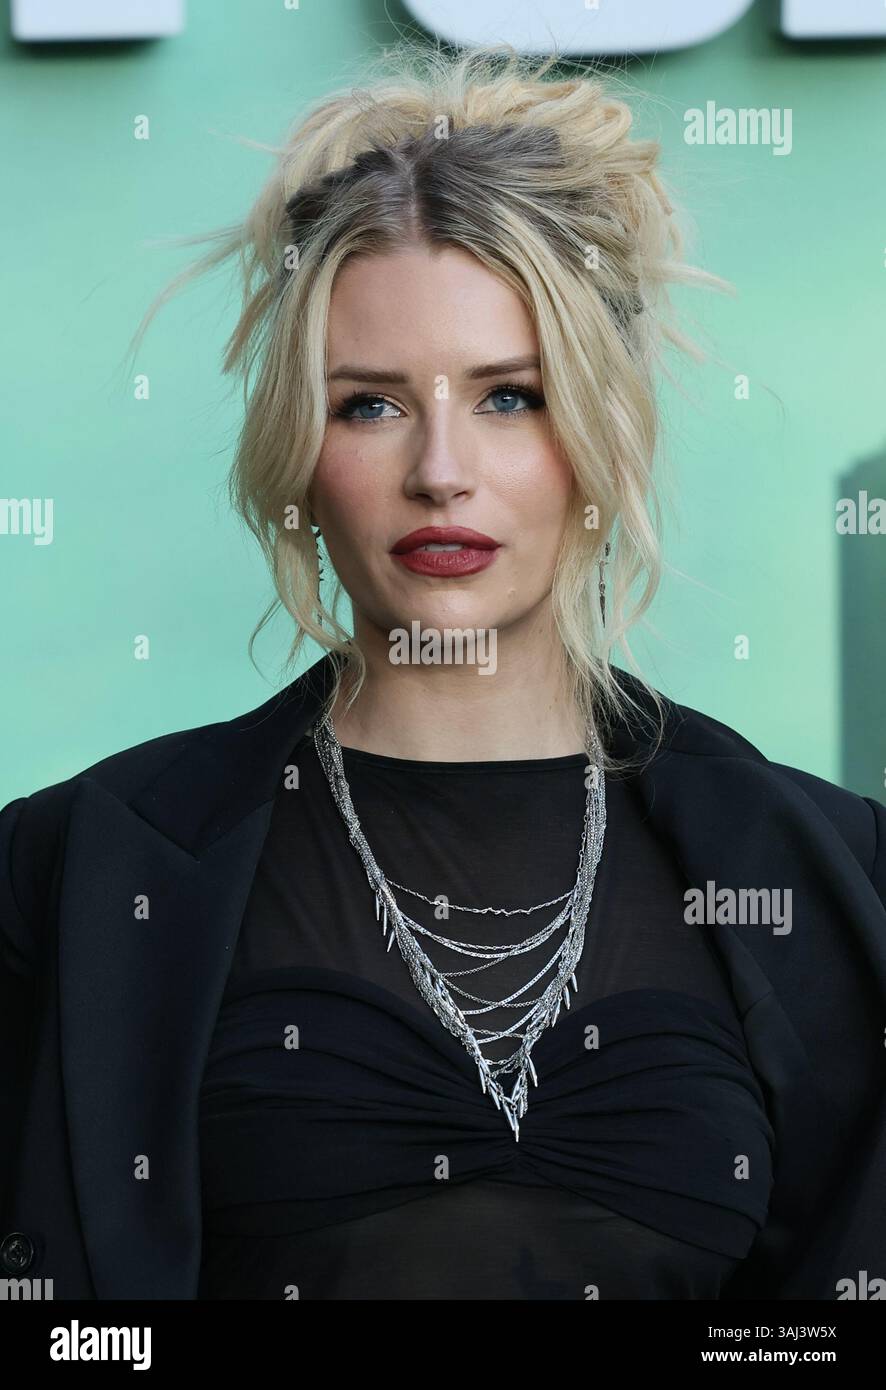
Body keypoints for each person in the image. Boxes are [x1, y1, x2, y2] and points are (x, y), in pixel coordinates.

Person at [2, 42, 885, 1302]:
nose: (440, 470)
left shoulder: (835, 876)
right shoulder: (77, 871)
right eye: (369, 403)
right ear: (299, 452)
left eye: (509, 396)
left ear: (600, 429)